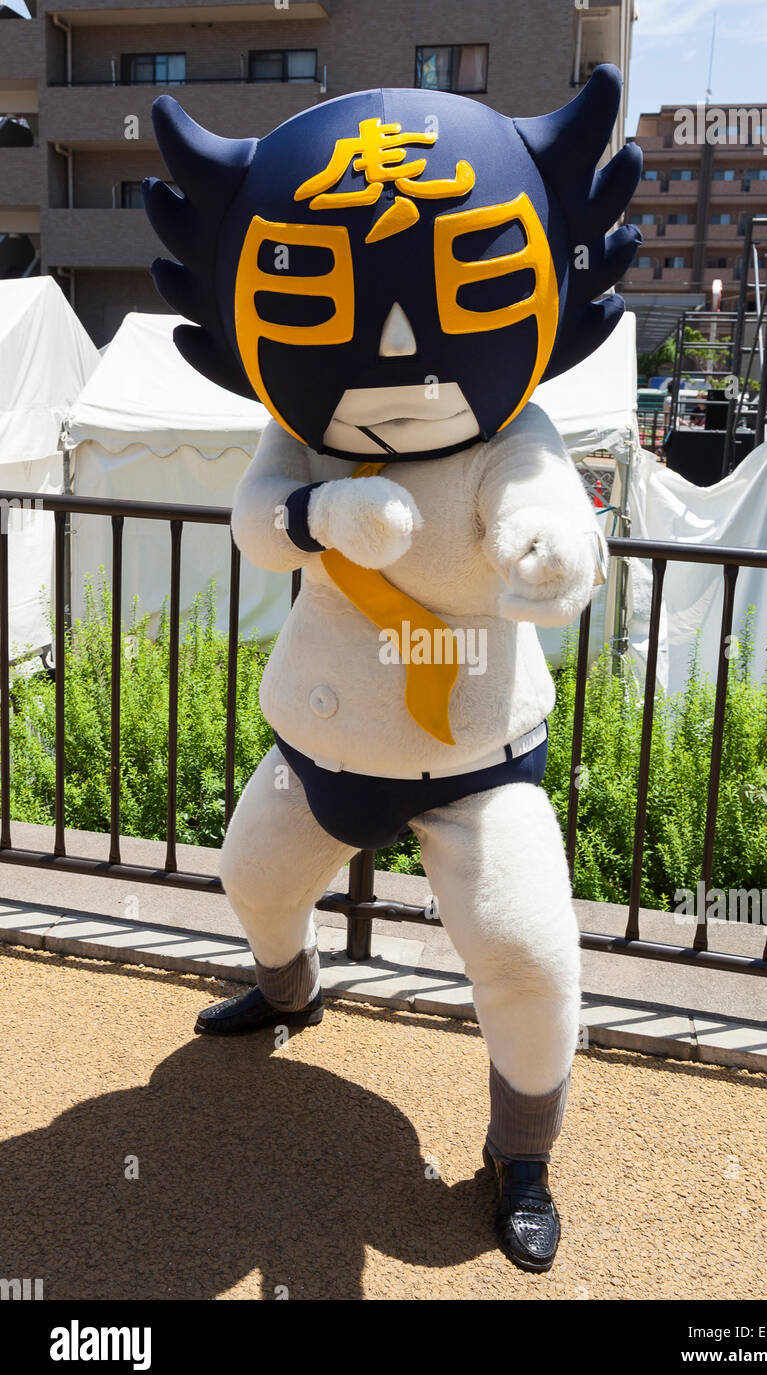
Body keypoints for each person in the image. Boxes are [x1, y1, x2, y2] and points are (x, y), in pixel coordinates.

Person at [144, 68, 640, 1273]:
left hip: (474, 760)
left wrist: (553, 551)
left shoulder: (511, 429)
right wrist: (320, 514)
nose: (404, 342)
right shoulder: (297, 432)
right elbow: (258, 519)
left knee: (525, 953)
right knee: (251, 880)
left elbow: (551, 516)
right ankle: (289, 987)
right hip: (321, 743)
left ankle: (520, 1156)